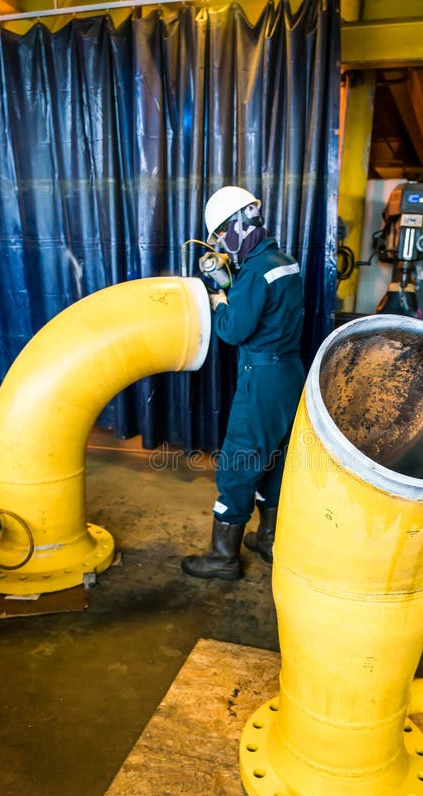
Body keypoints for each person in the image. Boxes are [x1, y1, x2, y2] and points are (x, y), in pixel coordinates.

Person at [181, 186, 305, 581]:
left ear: (238, 223)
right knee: (275, 460)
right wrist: (228, 277)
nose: (221, 243)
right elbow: (266, 308)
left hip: (262, 379)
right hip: (290, 374)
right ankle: (268, 539)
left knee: (240, 462)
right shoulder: (283, 261)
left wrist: (219, 297)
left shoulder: (252, 272)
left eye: (220, 234)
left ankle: (223, 557)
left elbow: (235, 330)